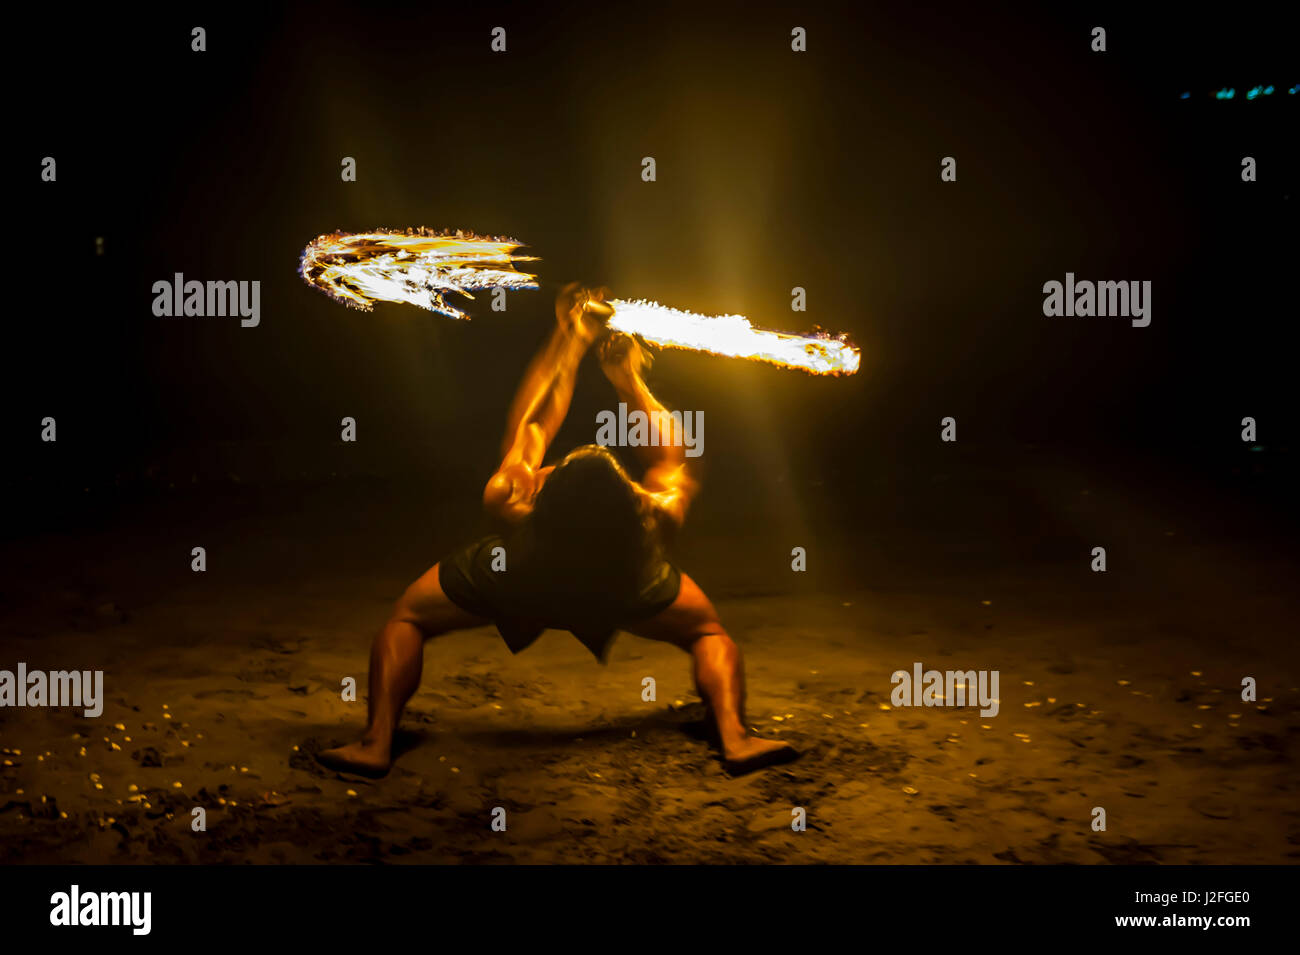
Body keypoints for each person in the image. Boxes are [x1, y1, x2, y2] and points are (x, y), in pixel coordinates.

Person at [317, 283, 798, 776]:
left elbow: (534, 422)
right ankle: (735, 739)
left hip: (518, 579)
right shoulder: (654, 511)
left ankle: (376, 743)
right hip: (622, 586)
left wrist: (570, 336)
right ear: (628, 502)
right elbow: (671, 458)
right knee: (708, 632)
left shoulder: (515, 497)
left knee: (408, 617)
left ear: (546, 491)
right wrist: (629, 381)